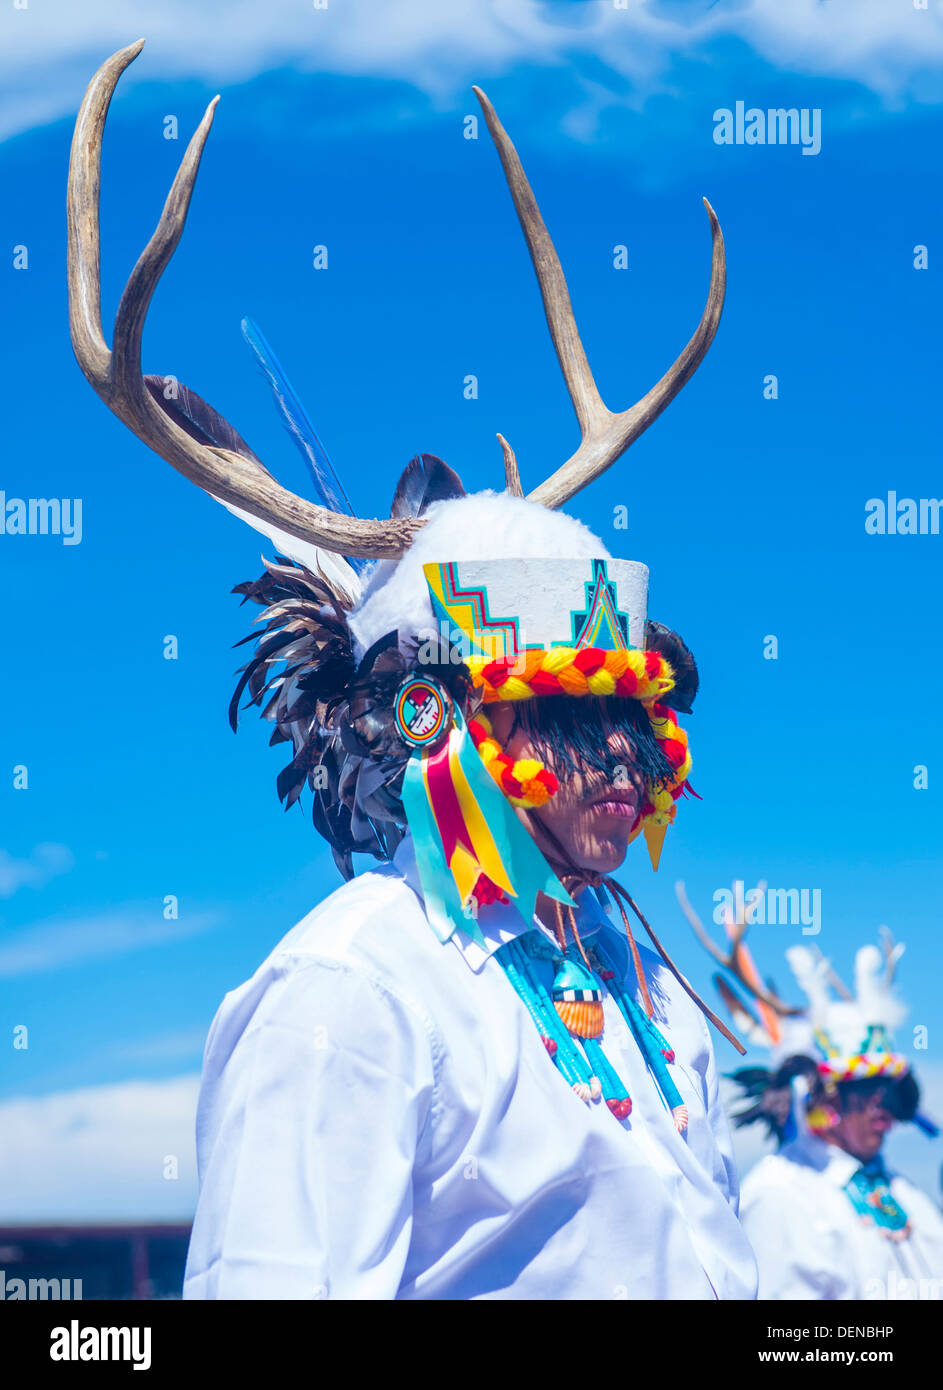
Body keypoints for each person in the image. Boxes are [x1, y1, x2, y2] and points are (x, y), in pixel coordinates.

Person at [67, 41, 757, 1300]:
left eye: (633, 710)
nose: (622, 753)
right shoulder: (351, 988)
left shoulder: (636, 972)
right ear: (431, 716)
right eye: (562, 705)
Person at [681, 886, 943, 1300]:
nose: (881, 1102)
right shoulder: (780, 1195)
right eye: (862, 1087)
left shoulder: (907, 1193)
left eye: (886, 1088)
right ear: (819, 1096)